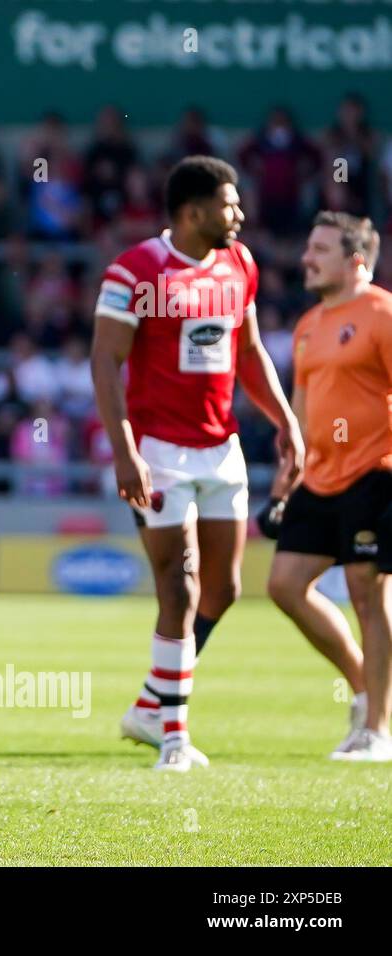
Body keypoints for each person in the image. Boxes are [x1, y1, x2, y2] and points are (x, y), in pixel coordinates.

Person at [91, 156, 304, 772]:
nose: (237, 215)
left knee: (225, 589)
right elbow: (105, 362)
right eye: (228, 204)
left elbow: (251, 351)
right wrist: (124, 448)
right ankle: (174, 736)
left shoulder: (240, 264)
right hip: (160, 454)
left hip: (223, 449)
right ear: (192, 212)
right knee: (178, 590)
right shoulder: (134, 271)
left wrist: (286, 420)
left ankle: (149, 704)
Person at [266, 212, 392, 760]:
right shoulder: (309, 323)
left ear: (355, 261)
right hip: (318, 478)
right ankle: (367, 687)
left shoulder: (382, 314)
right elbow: (302, 402)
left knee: (367, 589)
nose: (306, 259)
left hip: (374, 473)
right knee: (284, 584)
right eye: (307, 247)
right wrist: (290, 464)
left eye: (319, 250)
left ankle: (376, 729)